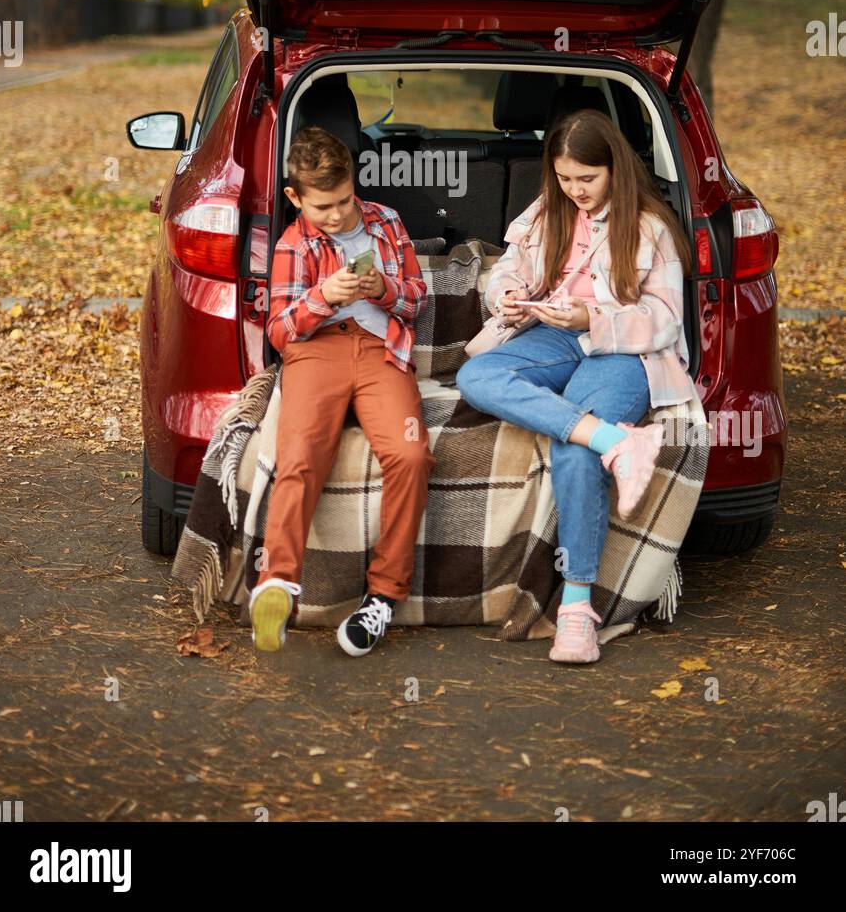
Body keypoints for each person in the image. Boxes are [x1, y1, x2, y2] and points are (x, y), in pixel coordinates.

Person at [456, 109, 694, 665]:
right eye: (564, 178)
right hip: (552, 337)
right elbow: (508, 271)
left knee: (571, 447)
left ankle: (576, 609)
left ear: (614, 168)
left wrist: (592, 319)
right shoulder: (548, 212)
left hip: (621, 350)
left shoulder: (650, 227)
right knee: (477, 375)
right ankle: (614, 441)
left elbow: (663, 319)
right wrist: (508, 296)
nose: (575, 190)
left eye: (586, 179)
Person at [249, 125, 435, 657]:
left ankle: (382, 597)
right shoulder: (293, 242)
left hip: (382, 353)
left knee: (411, 454)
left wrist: (387, 290)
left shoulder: (387, 223)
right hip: (317, 352)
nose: (335, 215)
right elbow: (280, 333)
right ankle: (277, 585)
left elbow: (418, 300)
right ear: (295, 198)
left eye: (343, 200)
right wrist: (323, 296)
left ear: (356, 182)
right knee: (300, 454)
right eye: (322, 207)